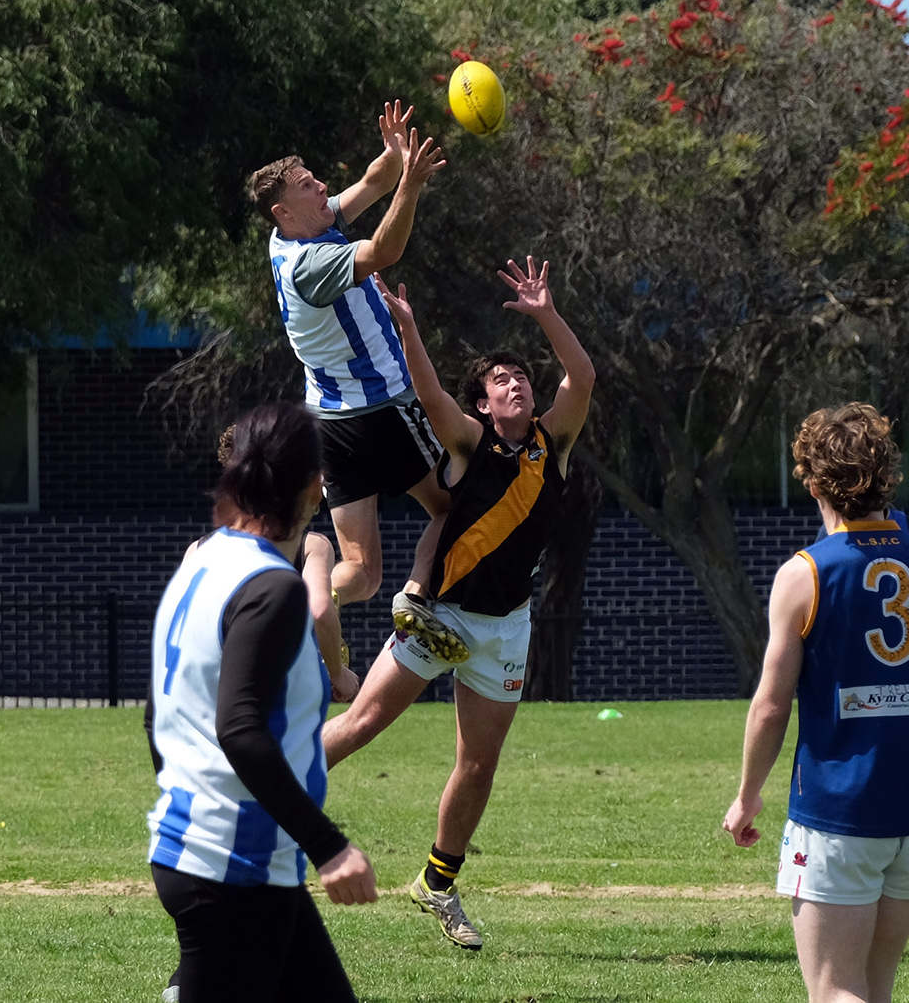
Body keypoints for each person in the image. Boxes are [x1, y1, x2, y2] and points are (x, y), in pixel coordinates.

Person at [321, 257, 593, 950]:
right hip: (440, 617)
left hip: (506, 629)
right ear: (484, 404)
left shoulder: (554, 444)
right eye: (501, 380)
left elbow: (582, 377)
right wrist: (408, 331)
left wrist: (546, 315)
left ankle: (437, 884)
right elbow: (428, 393)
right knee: (361, 724)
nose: (515, 383)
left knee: (478, 765)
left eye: (521, 376)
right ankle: (258, 785)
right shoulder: (470, 444)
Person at [722, 403, 909, 1003]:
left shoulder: (804, 574)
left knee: (834, 990)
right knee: (875, 989)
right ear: (887, 477)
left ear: (814, 484)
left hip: (836, 817)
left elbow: (770, 707)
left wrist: (747, 795)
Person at [146, 402, 378, 1002]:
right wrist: (329, 847)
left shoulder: (202, 564)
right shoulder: (272, 588)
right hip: (234, 867)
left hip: (217, 856)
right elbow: (240, 728)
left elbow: (158, 715)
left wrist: (190, 807)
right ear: (314, 486)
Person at [246, 103, 465, 660]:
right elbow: (385, 250)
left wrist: (393, 156)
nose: (322, 186)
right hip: (382, 410)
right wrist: (411, 184)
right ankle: (416, 597)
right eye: (308, 186)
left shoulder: (291, 236)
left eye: (315, 179)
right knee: (456, 508)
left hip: (328, 425)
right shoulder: (311, 264)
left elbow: (370, 184)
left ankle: (306, 598)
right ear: (283, 211)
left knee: (362, 571)